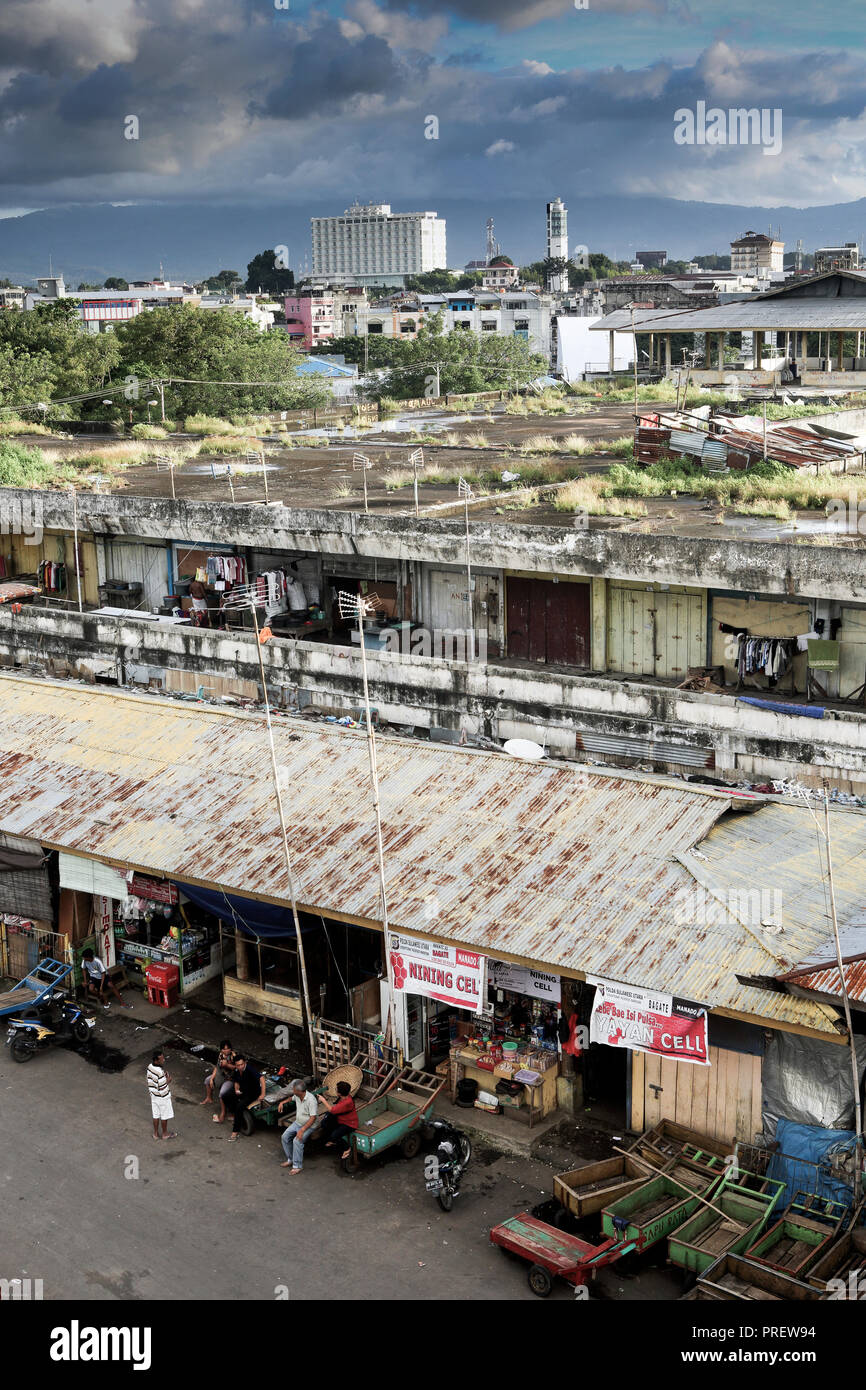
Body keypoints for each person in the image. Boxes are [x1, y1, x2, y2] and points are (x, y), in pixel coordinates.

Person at [278, 1080, 319, 1174]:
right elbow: (291, 1098)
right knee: (284, 1137)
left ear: (300, 1091)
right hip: (298, 1122)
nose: (293, 1091)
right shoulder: (297, 1096)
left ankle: (297, 1166)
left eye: (294, 1090)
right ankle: (290, 1159)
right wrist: (282, 1103)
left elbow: (313, 1118)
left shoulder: (311, 1100)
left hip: (309, 1125)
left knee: (297, 1141)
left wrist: (302, 1130)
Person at [226, 1054, 266, 1142]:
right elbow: (236, 1081)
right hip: (243, 1090)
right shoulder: (237, 1070)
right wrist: (236, 1089)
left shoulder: (250, 1069)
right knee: (228, 1095)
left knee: (240, 1106)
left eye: (242, 1064)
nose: (240, 1067)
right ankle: (234, 1115)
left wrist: (262, 1094)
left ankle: (235, 1132)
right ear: (235, 1065)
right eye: (238, 1065)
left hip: (252, 1093)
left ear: (245, 1063)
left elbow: (262, 1079)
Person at [318, 1081, 358, 1160]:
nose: (335, 1090)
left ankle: (346, 1148)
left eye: (336, 1089)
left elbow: (332, 1110)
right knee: (324, 1123)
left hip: (349, 1124)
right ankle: (332, 1140)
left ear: (339, 1093)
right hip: (341, 1119)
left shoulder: (346, 1102)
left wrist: (323, 1100)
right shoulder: (345, 1097)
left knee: (334, 1135)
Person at [201, 1039, 237, 1123]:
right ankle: (209, 1098)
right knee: (207, 1080)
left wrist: (227, 1065)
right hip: (220, 1076)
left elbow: (237, 1068)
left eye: (228, 1048)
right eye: (224, 1049)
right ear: (221, 1050)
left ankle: (223, 1112)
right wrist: (212, 1078)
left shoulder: (234, 1056)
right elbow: (217, 1068)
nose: (226, 1050)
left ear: (231, 1049)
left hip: (230, 1079)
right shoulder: (221, 1055)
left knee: (222, 1093)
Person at [147, 1049, 177, 1140]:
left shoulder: (150, 1067)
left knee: (155, 1115)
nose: (163, 1060)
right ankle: (165, 1134)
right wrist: (168, 1080)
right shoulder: (159, 1072)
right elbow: (161, 1087)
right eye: (162, 1059)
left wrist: (163, 1076)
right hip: (162, 1097)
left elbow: (154, 1080)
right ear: (156, 1060)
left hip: (154, 1096)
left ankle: (155, 1134)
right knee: (164, 1116)